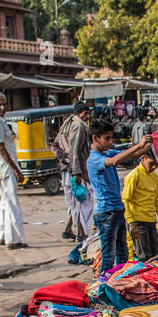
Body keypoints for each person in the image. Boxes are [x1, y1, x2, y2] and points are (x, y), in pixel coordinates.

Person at [86, 120, 153, 273]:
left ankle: (119, 283)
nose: (111, 142)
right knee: (109, 255)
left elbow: (130, 156)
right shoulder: (94, 159)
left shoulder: (106, 152)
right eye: (107, 138)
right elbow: (115, 160)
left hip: (116, 210)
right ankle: (104, 286)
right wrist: (140, 144)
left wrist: (147, 145)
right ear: (95, 138)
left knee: (122, 254)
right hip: (106, 212)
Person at [0, 92, 26, 249]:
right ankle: (13, 239)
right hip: (5, 168)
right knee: (11, 203)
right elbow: (1, 148)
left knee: (4, 202)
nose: (2, 107)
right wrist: (16, 169)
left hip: (0, 167)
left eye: (4, 104)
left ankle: (3, 235)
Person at [121, 152, 158, 263]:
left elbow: (155, 200)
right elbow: (125, 200)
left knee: (155, 255)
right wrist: (131, 223)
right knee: (145, 257)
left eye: (157, 165)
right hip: (138, 222)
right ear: (143, 158)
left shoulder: (153, 176)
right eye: (152, 163)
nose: (154, 167)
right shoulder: (134, 175)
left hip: (151, 221)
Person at [52, 101, 92, 242]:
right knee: (84, 203)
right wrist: (77, 172)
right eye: (86, 113)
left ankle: (69, 229)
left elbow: (55, 146)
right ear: (79, 113)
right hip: (77, 170)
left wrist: (63, 159)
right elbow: (75, 151)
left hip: (67, 170)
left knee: (74, 202)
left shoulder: (66, 125)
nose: (88, 116)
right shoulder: (79, 126)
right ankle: (81, 234)